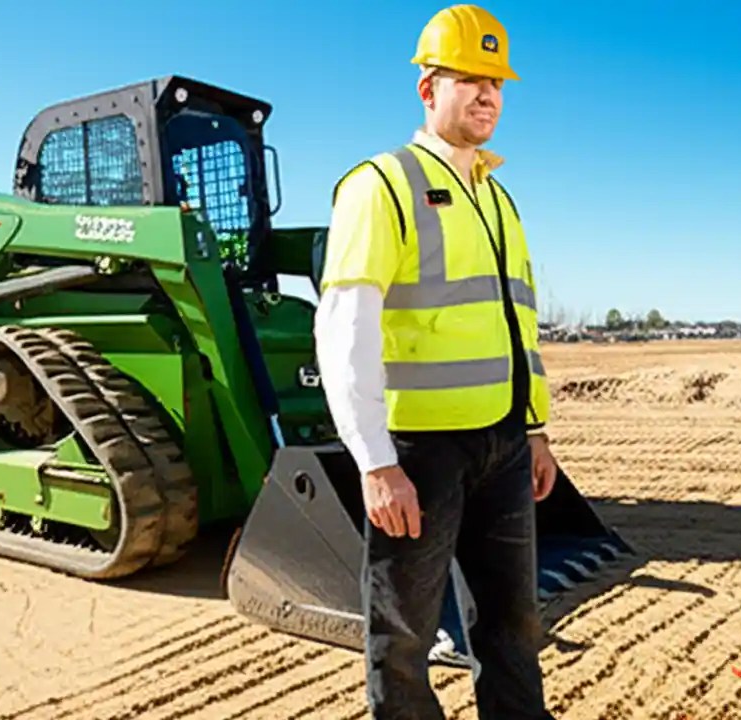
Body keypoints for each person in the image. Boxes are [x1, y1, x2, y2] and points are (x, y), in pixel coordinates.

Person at [312, 5, 560, 719]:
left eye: (498, 82)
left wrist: (535, 431)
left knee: (513, 626)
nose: (488, 95)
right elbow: (344, 328)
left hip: (504, 445)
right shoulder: (381, 185)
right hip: (419, 456)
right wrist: (375, 462)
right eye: (470, 79)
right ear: (429, 89)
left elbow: (518, 327)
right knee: (405, 635)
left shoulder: (498, 197)